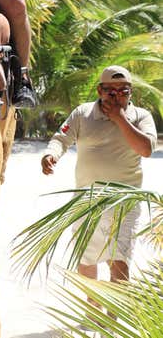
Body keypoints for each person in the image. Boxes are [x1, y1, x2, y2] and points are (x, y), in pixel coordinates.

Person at [41, 65, 157, 290]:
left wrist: (121, 119)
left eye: (124, 91)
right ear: (99, 91)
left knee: (120, 260)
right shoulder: (83, 113)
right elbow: (61, 138)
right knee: (86, 259)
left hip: (124, 201)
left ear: (131, 93)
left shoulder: (141, 117)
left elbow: (146, 149)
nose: (117, 97)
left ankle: (112, 319)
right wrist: (50, 154)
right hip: (87, 198)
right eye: (111, 92)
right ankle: (92, 312)